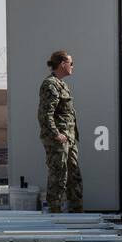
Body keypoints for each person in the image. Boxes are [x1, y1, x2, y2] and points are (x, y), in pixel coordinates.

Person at [38, 50, 83, 213]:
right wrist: (56, 134)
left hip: (69, 138)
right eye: (71, 63)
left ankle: (77, 210)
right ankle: (55, 211)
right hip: (58, 140)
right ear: (62, 64)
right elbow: (45, 114)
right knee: (59, 175)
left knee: (74, 174)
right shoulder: (50, 84)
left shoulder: (62, 84)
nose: (73, 66)